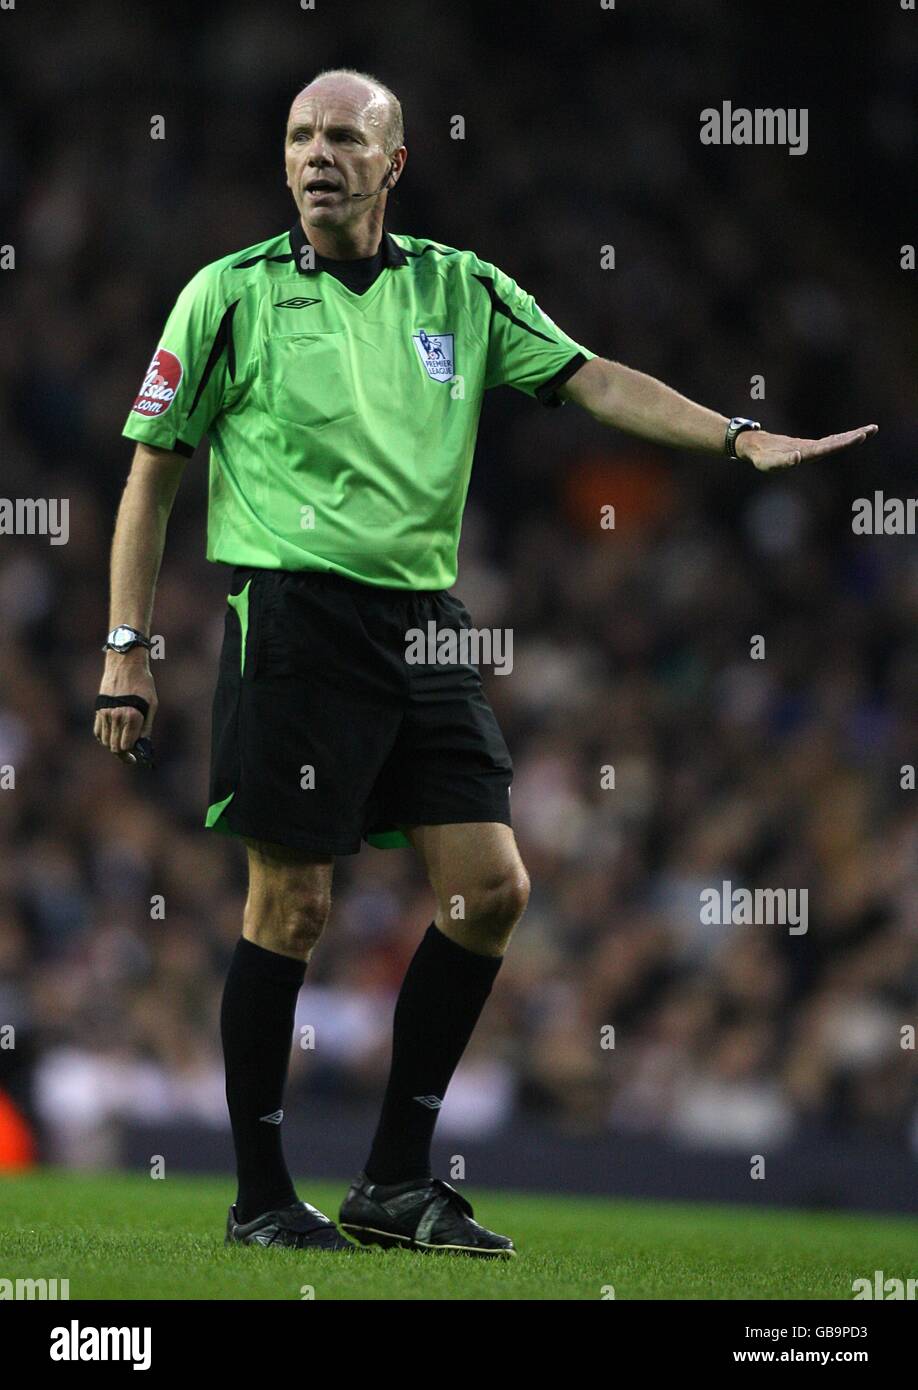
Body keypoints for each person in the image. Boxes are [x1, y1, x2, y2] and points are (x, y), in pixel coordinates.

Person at [94, 68, 877, 1257]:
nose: (317, 155)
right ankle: (260, 1196)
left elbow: (591, 375)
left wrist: (733, 434)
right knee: (293, 903)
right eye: (301, 136)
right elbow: (152, 472)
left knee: (494, 889)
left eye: (344, 138)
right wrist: (126, 649)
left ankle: (395, 1182)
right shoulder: (230, 295)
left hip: (424, 622)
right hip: (294, 620)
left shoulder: (460, 289)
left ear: (393, 162)